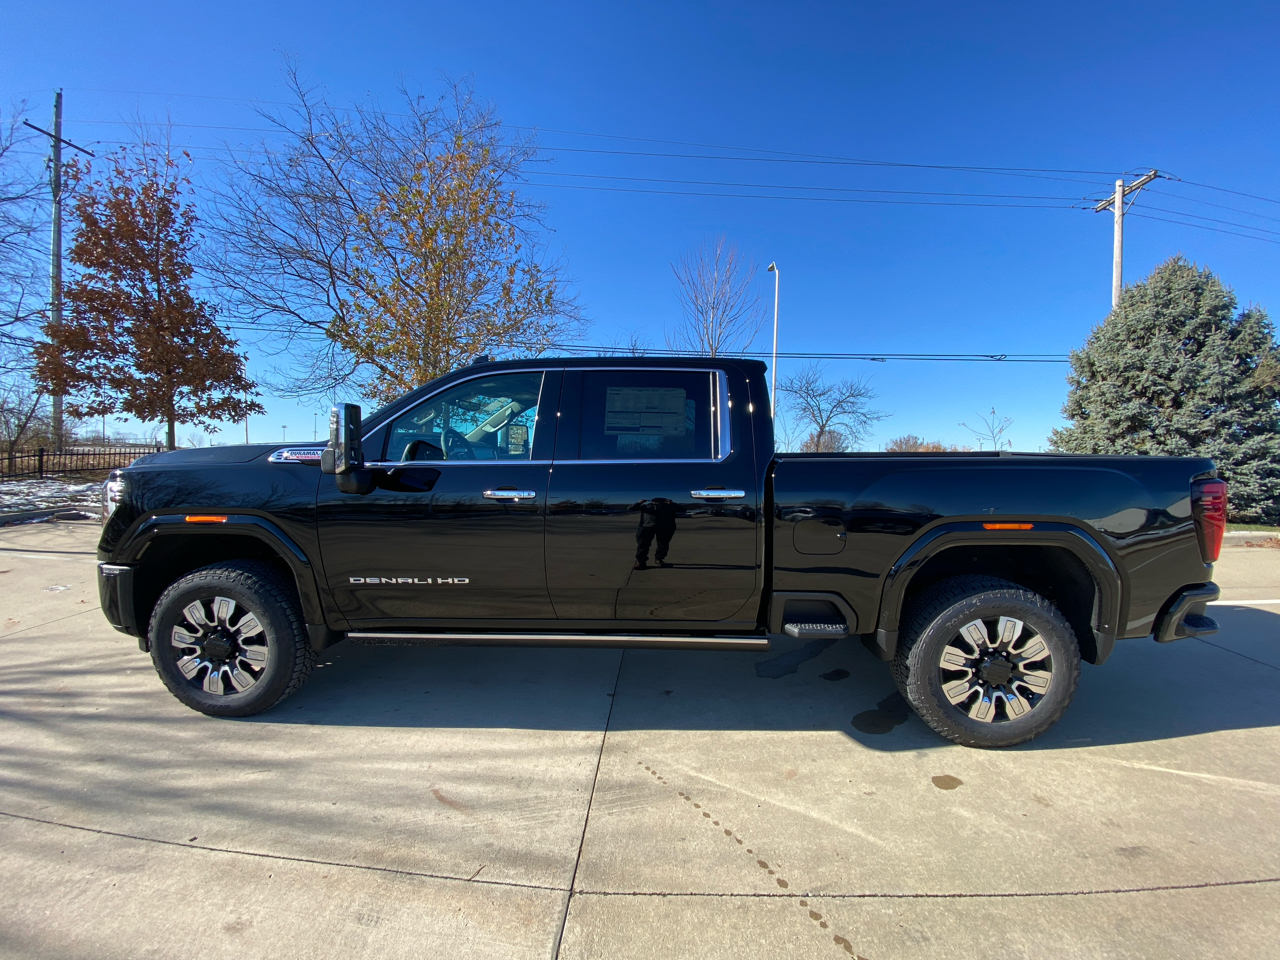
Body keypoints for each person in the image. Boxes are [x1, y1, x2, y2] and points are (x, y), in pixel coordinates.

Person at [633, 497, 677, 569]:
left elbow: (682, 509)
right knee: (643, 545)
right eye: (655, 501)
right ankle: (641, 562)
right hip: (647, 527)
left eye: (660, 501)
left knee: (663, 545)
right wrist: (639, 503)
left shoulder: (669, 507)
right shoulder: (646, 507)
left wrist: (672, 503)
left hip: (664, 528)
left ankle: (659, 559)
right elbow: (630, 508)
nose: (657, 502)